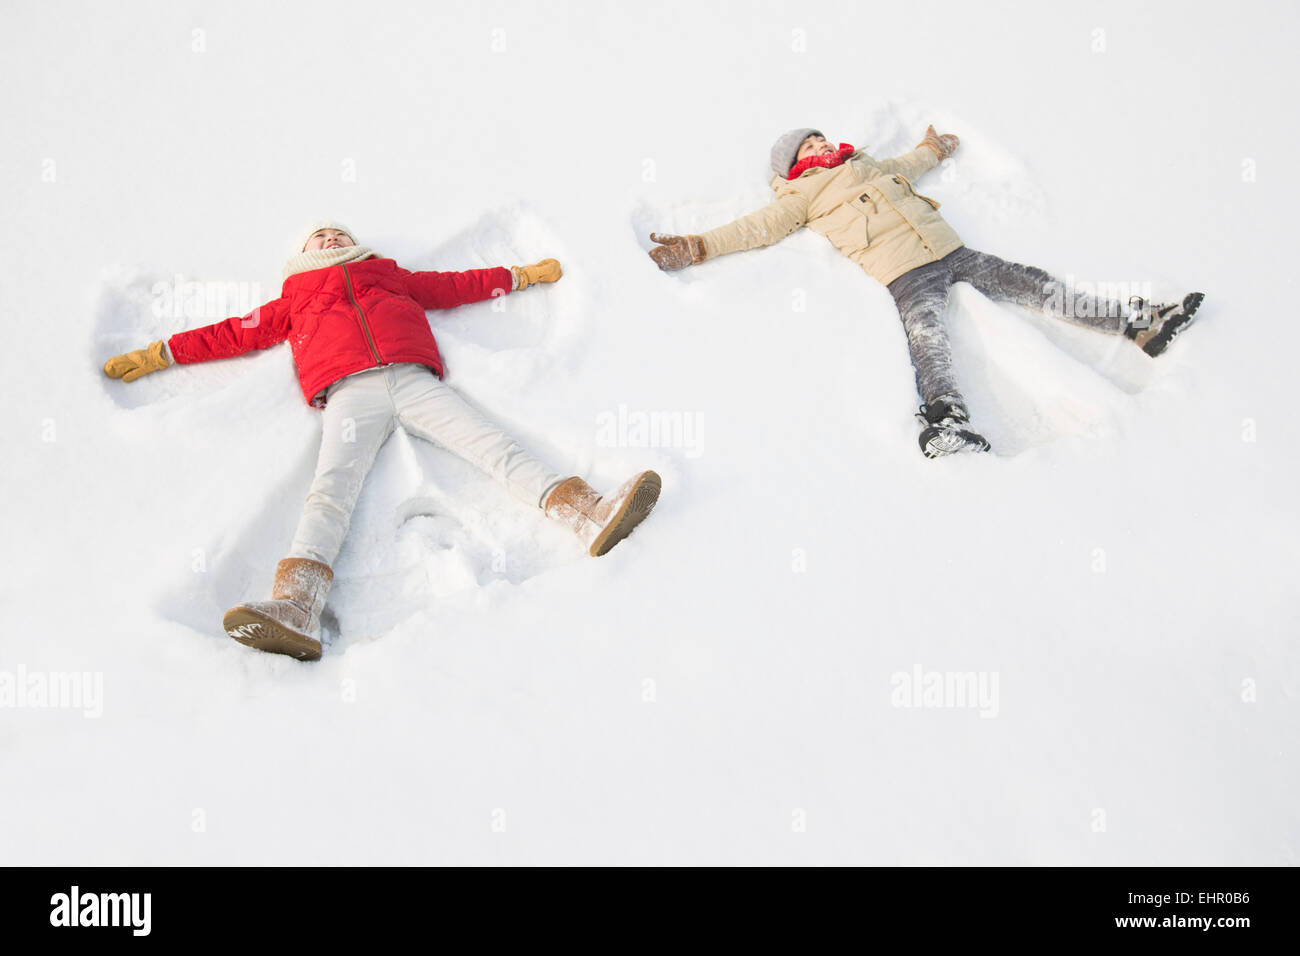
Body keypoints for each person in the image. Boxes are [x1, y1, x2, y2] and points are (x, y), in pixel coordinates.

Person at [103, 220, 661, 660]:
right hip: (348, 396)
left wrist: (520, 276)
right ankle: (297, 603)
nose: (331, 238)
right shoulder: (295, 297)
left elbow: (453, 287)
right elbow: (232, 333)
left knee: (492, 445)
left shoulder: (388, 274)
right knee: (330, 490)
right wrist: (161, 354)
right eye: (320, 236)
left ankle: (586, 512)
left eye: (338, 233)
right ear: (305, 253)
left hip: (412, 377)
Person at [647, 128, 1205, 457]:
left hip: (951, 249)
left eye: (818, 134)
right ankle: (945, 421)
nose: (818, 142)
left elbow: (909, 164)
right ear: (793, 165)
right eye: (806, 144)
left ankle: (1139, 325)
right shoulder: (801, 195)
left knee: (1035, 284)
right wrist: (696, 247)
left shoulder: (866, 163)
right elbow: (754, 228)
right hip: (905, 270)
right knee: (927, 338)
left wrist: (934, 147)